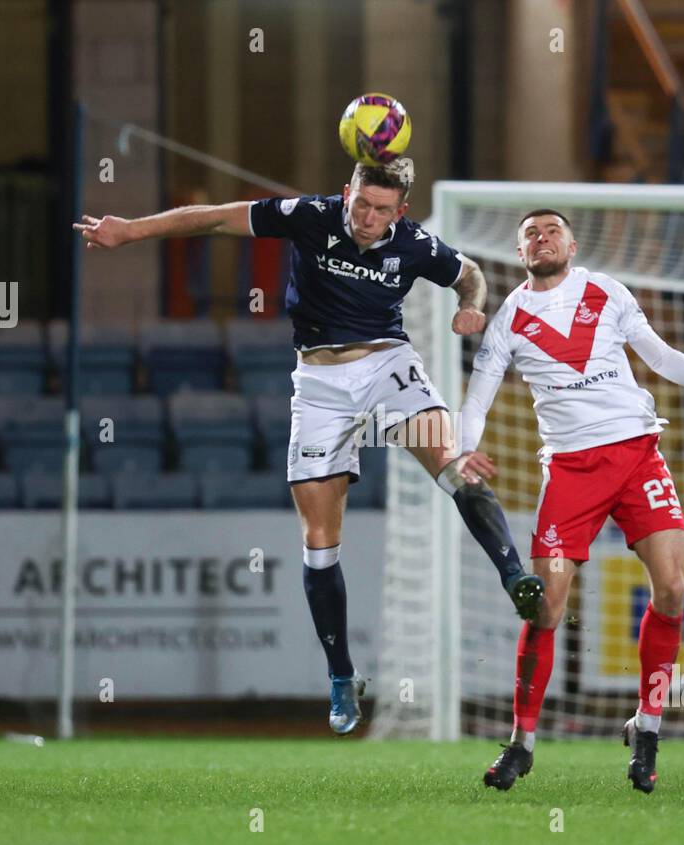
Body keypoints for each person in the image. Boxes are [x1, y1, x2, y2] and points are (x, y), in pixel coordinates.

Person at [74, 159, 544, 735]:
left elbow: (468, 271)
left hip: (387, 363)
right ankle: (342, 677)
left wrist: (471, 303)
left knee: (451, 461)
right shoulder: (309, 216)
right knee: (320, 540)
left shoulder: (415, 244)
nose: (369, 220)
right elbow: (218, 220)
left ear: (400, 211)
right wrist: (130, 230)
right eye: (362, 205)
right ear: (347, 193)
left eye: (382, 211)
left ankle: (514, 574)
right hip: (319, 385)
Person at [455, 210, 684, 794]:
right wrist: (464, 451)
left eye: (551, 231)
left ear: (572, 242)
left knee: (672, 589)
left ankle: (648, 727)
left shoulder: (607, 292)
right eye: (531, 235)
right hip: (570, 471)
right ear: (520, 254)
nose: (543, 239)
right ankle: (522, 743)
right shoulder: (510, 317)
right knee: (545, 606)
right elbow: (479, 399)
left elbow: (659, 357)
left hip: (639, 457)